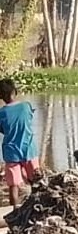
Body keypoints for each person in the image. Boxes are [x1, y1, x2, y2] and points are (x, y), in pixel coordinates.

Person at [0, 78, 38, 208]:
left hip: (11, 152)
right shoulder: (26, 106)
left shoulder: (2, 113)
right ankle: (38, 204)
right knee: (36, 180)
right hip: (28, 149)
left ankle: (14, 210)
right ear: (15, 92)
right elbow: (28, 119)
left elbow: (3, 129)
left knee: (13, 185)